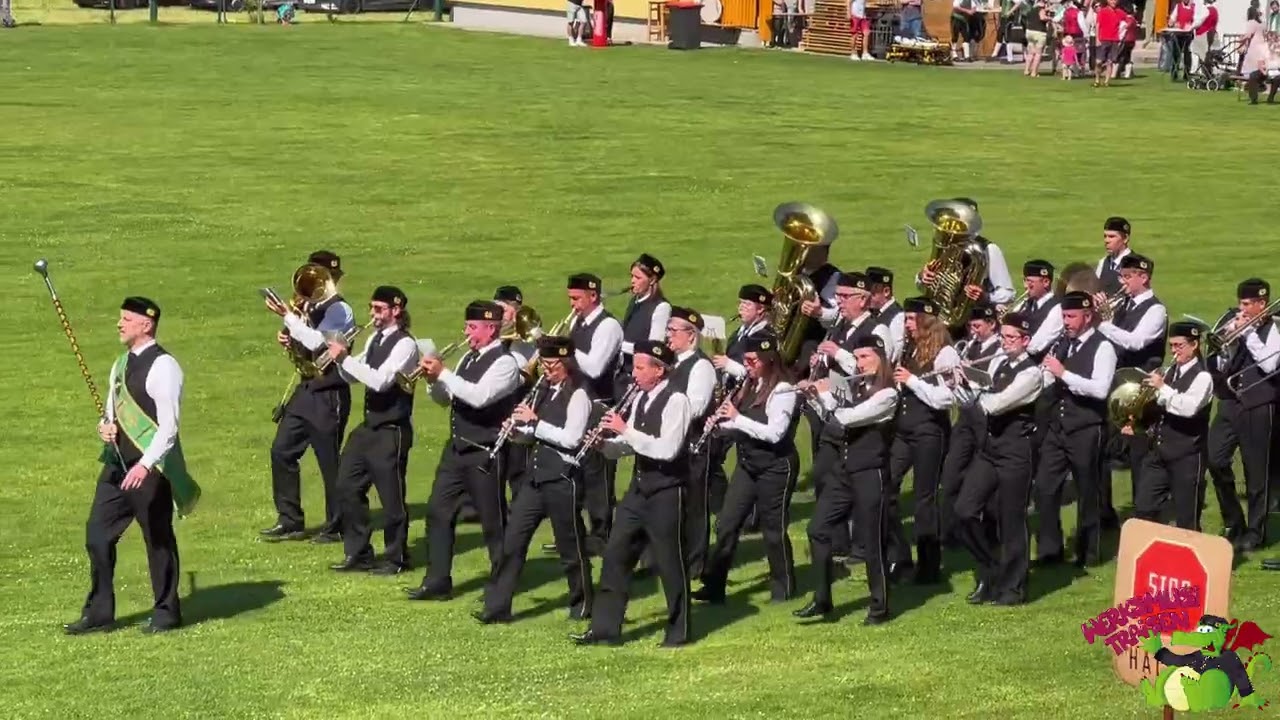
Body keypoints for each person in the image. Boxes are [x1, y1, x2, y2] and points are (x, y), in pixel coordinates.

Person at [66, 297, 196, 635]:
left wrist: (146, 465)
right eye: (120, 317)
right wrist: (105, 427)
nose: (119, 324)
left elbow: (169, 428)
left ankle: (167, 611)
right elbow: (112, 412)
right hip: (117, 465)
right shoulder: (120, 364)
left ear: (146, 324)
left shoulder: (165, 367)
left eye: (126, 319)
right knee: (97, 536)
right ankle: (99, 613)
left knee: (157, 539)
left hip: (149, 468)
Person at [571, 341, 695, 647]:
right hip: (638, 491)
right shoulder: (639, 397)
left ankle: (679, 631)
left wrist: (623, 429)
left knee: (669, 562)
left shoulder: (677, 401)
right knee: (615, 556)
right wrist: (605, 446)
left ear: (659, 369)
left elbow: (667, 449)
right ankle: (604, 630)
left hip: (667, 491)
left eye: (640, 367)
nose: (634, 373)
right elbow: (632, 446)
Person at [407, 300, 522, 597]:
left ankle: (502, 584)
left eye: (472, 327)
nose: (466, 332)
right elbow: (448, 400)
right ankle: (437, 581)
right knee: (437, 512)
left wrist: (443, 373)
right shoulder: (467, 359)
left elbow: (479, 397)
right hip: (457, 449)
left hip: (485, 452)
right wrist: (433, 382)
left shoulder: (505, 363)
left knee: (493, 522)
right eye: (467, 326)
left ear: (491, 328)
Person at [476, 336, 594, 623]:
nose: (545, 369)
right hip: (536, 477)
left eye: (551, 364)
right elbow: (533, 436)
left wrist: (535, 423)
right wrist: (516, 431)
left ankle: (584, 602)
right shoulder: (542, 389)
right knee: (512, 542)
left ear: (566, 363)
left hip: (562, 477)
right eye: (542, 363)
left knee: (570, 547)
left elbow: (571, 438)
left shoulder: (578, 394)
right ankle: (497, 607)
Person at [794, 335, 896, 625]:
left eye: (866, 357)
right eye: (858, 358)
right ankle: (822, 598)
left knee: (873, 542)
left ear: (880, 359)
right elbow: (831, 418)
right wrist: (813, 394)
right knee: (817, 529)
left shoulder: (887, 393)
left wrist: (825, 393)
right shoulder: (856, 386)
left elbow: (848, 418)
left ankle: (880, 606)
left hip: (870, 472)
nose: (860, 363)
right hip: (844, 471)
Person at [693, 334, 800, 604]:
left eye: (752, 360)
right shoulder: (750, 383)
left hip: (776, 466)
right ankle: (714, 585)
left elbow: (775, 434)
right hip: (748, 464)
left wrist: (736, 419)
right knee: (727, 523)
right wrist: (719, 427)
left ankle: (783, 586)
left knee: (773, 529)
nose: (747, 365)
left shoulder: (784, 390)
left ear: (767, 360)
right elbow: (740, 426)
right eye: (746, 360)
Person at [261, 250, 355, 544]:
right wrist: (287, 336)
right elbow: (303, 343)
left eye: (329, 277)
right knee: (282, 451)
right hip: (306, 388)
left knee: (329, 462)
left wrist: (290, 319)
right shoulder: (306, 307)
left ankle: (338, 524)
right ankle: (290, 520)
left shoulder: (341, 310)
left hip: (330, 391)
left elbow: (321, 343)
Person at [327, 287, 421, 576]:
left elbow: (381, 382)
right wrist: (340, 361)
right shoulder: (373, 339)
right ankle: (359, 552)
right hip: (369, 426)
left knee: (391, 498)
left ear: (396, 310)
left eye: (379, 309)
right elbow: (355, 377)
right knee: (345, 486)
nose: (372, 314)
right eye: (371, 308)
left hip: (392, 430)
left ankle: (396, 558)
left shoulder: (406, 345)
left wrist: (345, 359)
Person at [953, 312, 1042, 606]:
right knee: (965, 510)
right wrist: (961, 383)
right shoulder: (998, 361)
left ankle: (1013, 587)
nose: (1005, 343)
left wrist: (972, 392)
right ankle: (990, 565)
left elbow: (996, 404)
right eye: (1003, 337)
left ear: (1026, 341)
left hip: (1015, 451)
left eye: (1011, 338)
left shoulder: (1031, 374)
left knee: (1011, 520)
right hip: (990, 450)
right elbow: (977, 394)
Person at [1034, 291, 1117, 568]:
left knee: (1087, 490)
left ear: (1088, 316)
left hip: (1086, 427)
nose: (1066, 322)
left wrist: (1063, 374)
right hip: (1058, 428)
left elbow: (1100, 389)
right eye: (1064, 317)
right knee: (1045, 488)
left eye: (1071, 317)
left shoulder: (1103, 347)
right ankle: (1050, 550)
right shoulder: (1064, 344)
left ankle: (1088, 552)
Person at [887, 297, 961, 584]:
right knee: (886, 486)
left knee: (923, 499)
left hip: (930, 431)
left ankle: (929, 566)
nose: (905, 326)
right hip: (904, 432)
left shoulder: (945, 354)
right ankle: (900, 556)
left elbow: (945, 399)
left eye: (909, 319)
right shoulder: (910, 348)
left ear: (925, 320)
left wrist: (912, 382)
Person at [1207, 279, 1280, 553]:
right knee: (1215, 459)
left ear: (1262, 303)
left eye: (1248, 304)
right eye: (1241, 303)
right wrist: (1230, 344)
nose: (1243, 308)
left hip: (1259, 406)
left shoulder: (1274, 328)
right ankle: (1233, 520)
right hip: (1230, 403)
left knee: (1255, 472)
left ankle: (1255, 531)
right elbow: (1221, 365)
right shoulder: (1235, 322)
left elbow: (1270, 363)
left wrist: (1248, 334)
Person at [1094, 253, 1167, 524]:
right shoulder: (1123, 304)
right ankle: (1104, 512)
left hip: (1141, 392)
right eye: (1121, 277)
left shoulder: (1156, 310)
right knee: (1101, 448)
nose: (1122, 283)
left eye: (1127, 277)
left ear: (1143, 277)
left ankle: (1142, 516)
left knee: (1139, 455)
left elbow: (1136, 342)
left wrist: (1102, 322)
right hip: (1117, 386)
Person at [1128, 322, 1212, 531]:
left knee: (1187, 518)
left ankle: (1190, 561)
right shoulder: (1169, 372)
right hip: (1158, 452)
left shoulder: (1203, 377)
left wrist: (1162, 388)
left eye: (1179, 346)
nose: (1174, 351)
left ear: (1194, 345)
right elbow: (1157, 407)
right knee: (1143, 507)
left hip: (1187, 455)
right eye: (1171, 346)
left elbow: (1188, 408)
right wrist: (1136, 420)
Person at [565, 272, 624, 554]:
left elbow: (595, 367)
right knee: (578, 470)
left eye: (577, 299)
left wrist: (564, 349)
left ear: (593, 296)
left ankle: (601, 535)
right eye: (570, 299)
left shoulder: (609, 326)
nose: (573, 304)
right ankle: (579, 533)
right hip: (577, 403)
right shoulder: (578, 321)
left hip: (599, 405)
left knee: (599, 476)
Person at [939, 304, 1002, 546]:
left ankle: (989, 532)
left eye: (977, 326)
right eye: (970, 327)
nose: (973, 332)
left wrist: (968, 374)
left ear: (991, 324)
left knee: (985, 477)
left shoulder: (999, 349)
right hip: (966, 417)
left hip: (986, 418)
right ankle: (951, 531)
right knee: (952, 471)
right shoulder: (969, 346)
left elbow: (993, 384)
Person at [664, 307, 717, 578]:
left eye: (674, 330)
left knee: (695, 505)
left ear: (692, 336)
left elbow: (696, 407)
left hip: (694, 445)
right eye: (668, 329)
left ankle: (696, 563)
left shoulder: (701, 366)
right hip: (673, 443)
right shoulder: (671, 363)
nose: (668, 335)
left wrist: (666, 408)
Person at [616, 253, 671, 399]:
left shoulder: (661, 307)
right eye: (632, 276)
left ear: (652, 280)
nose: (632, 281)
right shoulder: (635, 301)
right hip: (624, 372)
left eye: (638, 278)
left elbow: (653, 347)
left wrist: (617, 344)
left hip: (639, 378)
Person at [866, 266, 905, 363]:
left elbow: (896, 353)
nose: (866, 297)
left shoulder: (897, 317)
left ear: (886, 292)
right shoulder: (873, 311)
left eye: (872, 293)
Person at [1096, 216, 1134, 294]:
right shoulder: (1103, 262)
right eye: (1105, 236)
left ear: (1125, 239)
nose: (1106, 240)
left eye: (1112, 236)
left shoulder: (1135, 264)